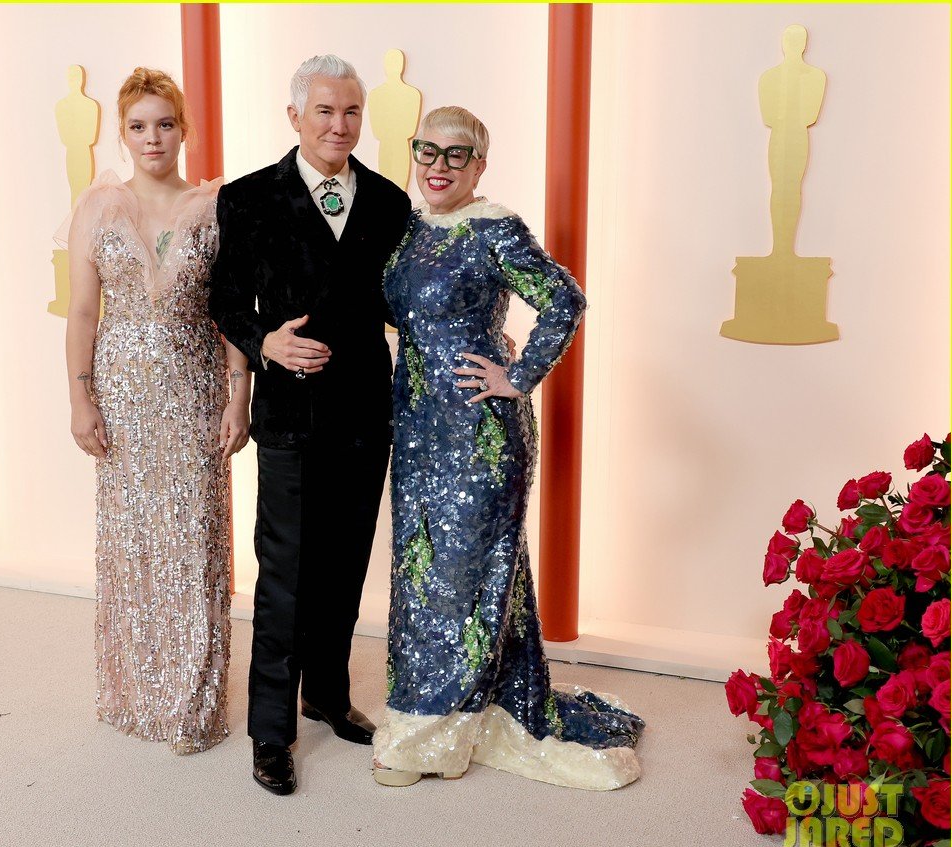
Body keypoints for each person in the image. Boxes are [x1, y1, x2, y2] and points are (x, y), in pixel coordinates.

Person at [373, 106, 645, 790]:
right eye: (427, 150)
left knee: (458, 578)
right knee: (420, 575)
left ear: (481, 165)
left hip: (478, 437)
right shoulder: (407, 228)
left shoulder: (493, 227)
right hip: (415, 431)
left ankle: (427, 734)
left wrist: (516, 376)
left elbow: (564, 297)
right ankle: (470, 706)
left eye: (456, 154)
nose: (438, 165)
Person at [209, 55, 412, 795]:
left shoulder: (391, 201)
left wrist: (475, 334)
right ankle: (271, 728)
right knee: (287, 574)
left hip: (365, 412)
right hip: (290, 416)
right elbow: (224, 297)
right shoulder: (249, 198)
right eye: (325, 111)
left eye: (351, 112)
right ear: (294, 116)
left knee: (344, 565)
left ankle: (327, 694)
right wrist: (264, 341)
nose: (339, 124)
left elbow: (406, 303)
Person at [63, 68, 251, 755]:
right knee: (134, 540)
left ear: (184, 129)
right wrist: (80, 395)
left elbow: (233, 312)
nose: (152, 137)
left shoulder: (214, 206)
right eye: (139, 125)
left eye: (165, 124)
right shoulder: (98, 207)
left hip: (195, 384)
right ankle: (139, 691)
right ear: (123, 132)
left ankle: (194, 705)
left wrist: (239, 392)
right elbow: (84, 310)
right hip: (122, 392)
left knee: (195, 541)